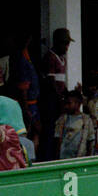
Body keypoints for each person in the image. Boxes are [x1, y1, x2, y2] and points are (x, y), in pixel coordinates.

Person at [39, 28, 73, 159]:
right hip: (51, 101)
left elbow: (61, 82)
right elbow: (51, 83)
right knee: (50, 131)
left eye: (68, 44)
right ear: (57, 43)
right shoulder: (50, 57)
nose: (67, 47)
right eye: (65, 44)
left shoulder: (62, 58)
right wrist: (60, 100)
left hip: (59, 99)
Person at [54, 90, 97, 159]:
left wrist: (89, 157)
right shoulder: (62, 119)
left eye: (69, 103)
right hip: (64, 158)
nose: (66, 106)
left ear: (78, 104)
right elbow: (57, 139)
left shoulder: (86, 120)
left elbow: (90, 140)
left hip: (80, 157)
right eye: (65, 103)